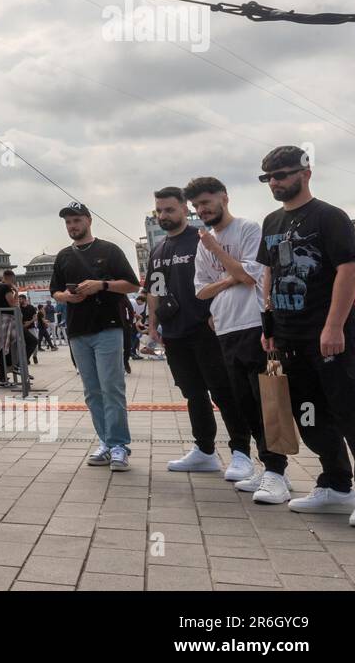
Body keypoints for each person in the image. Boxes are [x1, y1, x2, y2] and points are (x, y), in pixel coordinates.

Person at [254, 147, 355, 522]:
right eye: (268, 178)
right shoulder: (271, 221)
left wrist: (333, 326)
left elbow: (348, 270)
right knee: (309, 414)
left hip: (328, 334)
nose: (276, 183)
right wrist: (269, 327)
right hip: (288, 337)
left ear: (305, 172)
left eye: (282, 174)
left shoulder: (330, 217)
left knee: (349, 410)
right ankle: (335, 484)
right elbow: (268, 274)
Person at [187, 176, 291, 504]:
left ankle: (278, 471)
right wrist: (228, 278)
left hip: (257, 326)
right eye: (196, 206)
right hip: (226, 330)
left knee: (270, 402)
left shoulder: (247, 229)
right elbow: (200, 291)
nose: (201, 210)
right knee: (244, 403)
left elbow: (250, 276)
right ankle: (267, 466)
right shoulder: (202, 245)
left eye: (206, 202)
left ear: (224, 198)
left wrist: (217, 252)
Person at [147, 187, 252, 479]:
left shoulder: (201, 240)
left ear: (185, 209)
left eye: (169, 209)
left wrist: (216, 313)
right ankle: (204, 450)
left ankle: (241, 452)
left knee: (224, 391)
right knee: (193, 394)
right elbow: (155, 289)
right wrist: (153, 324)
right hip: (175, 334)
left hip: (206, 330)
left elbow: (223, 277)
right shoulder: (157, 251)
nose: (163, 216)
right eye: (159, 211)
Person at [50, 202, 141, 471]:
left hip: (108, 327)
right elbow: (55, 289)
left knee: (111, 388)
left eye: (76, 220)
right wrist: (65, 297)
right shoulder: (63, 256)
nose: (72, 226)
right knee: (92, 391)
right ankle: (105, 441)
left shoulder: (109, 250)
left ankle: (118, 445)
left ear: (88, 220)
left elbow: (133, 284)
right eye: (68, 222)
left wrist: (100, 285)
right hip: (78, 330)